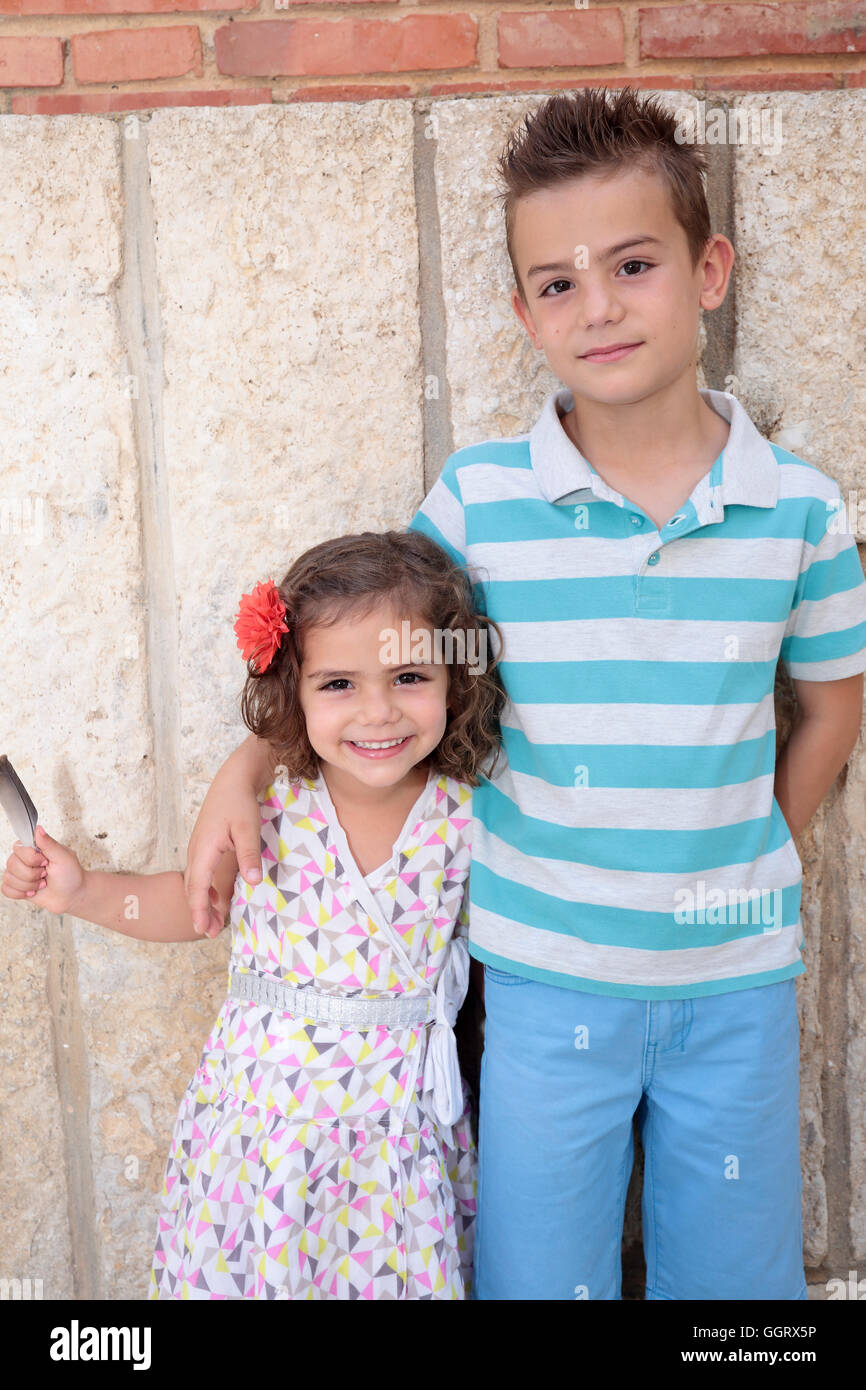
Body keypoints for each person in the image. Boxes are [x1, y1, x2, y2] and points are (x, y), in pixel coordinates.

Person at [178, 88, 866, 1300]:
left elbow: (829, 705)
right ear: (521, 312)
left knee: (736, 1287)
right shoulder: (477, 501)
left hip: (733, 976)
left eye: (632, 264)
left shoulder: (799, 508)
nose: (595, 305)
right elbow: (355, 651)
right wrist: (244, 767)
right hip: (544, 980)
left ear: (708, 272)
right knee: (537, 1273)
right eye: (555, 282)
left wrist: (744, 849)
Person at [2, 529, 505, 1300]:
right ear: (291, 692)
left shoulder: (467, 813)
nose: (377, 712)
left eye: (408, 676)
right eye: (338, 684)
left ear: (454, 681)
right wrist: (80, 893)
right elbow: (192, 902)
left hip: (395, 1144)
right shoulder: (274, 803)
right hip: (262, 1136)